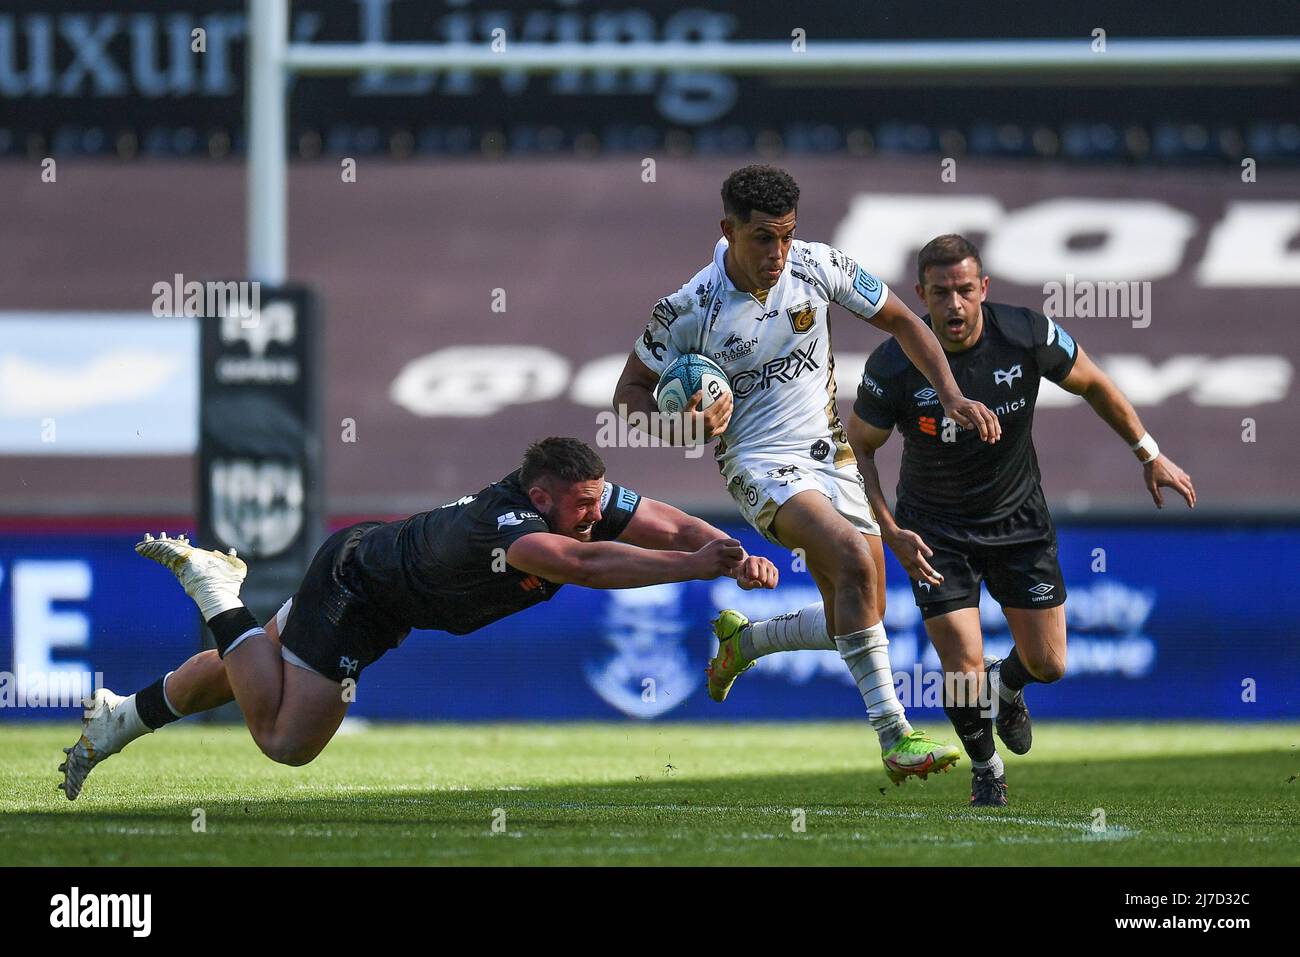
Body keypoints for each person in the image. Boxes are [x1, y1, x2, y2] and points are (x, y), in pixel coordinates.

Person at [59, 437, 778, 800]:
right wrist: (697, 568)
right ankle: (218, 592)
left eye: (599, 501)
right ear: (542, 495)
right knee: (284, 740)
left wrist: (725, 548)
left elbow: (660, 519)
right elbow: (588, 567)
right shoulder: (510, 528)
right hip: (358, 590)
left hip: (380, 576)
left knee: (231, 680)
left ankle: (119, 719)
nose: (599, 515)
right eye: (585, 506)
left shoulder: (572, 500)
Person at [613, 165, 1002, 785]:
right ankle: (896, 736)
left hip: (832, 454)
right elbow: (628, 393)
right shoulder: (689, 308)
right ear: (728, 231)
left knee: (863, 606)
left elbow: (904, 321)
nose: (778, 252)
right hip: (758, 462)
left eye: (787, 235)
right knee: (850, 554)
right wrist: (676, 428)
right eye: (764, 238)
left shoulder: (817, 266)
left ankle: (748, 643)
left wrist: (951, 395)